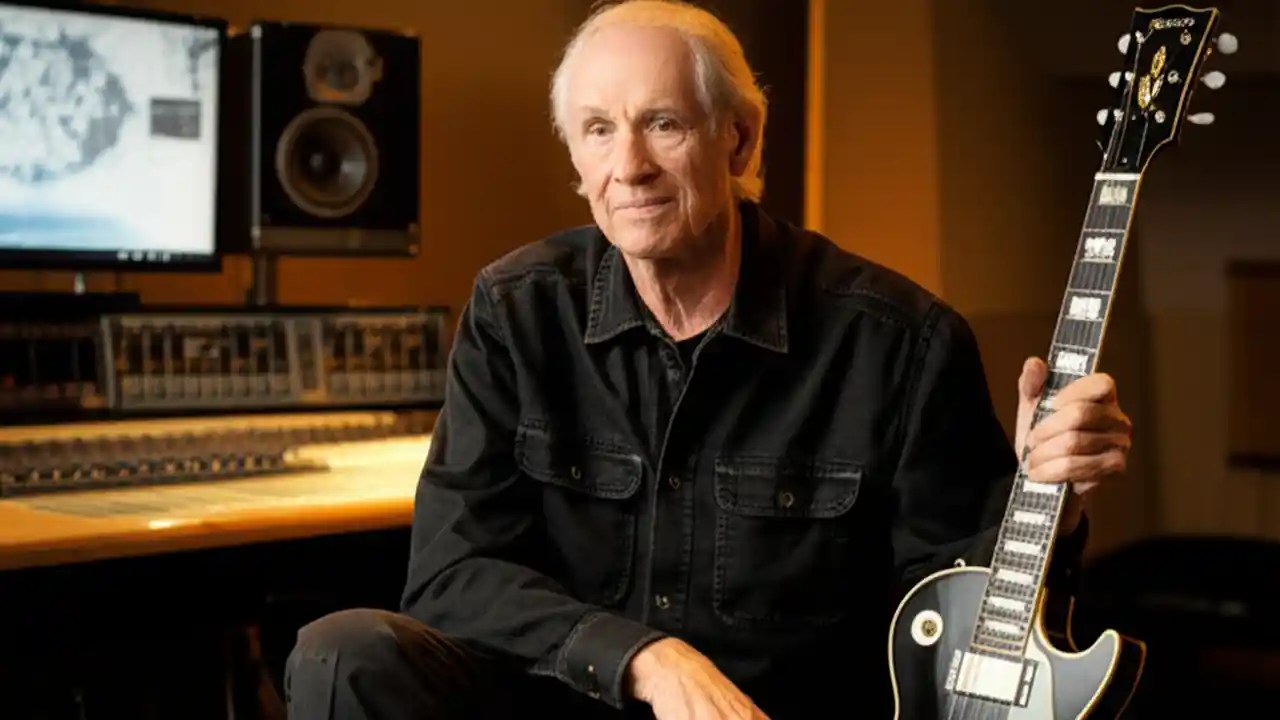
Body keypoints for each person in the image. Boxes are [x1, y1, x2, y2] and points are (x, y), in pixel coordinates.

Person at [283, 1, 1133, 718]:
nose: (630, 167)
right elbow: (451, 574)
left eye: (662, 123)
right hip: (564, 699)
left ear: (740, 141)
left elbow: (954, 639)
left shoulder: (898, 343)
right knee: (342, 653)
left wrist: (1043, 495)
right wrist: (643, 659)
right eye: (598, 131)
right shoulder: (517, 310)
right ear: (575, 160)